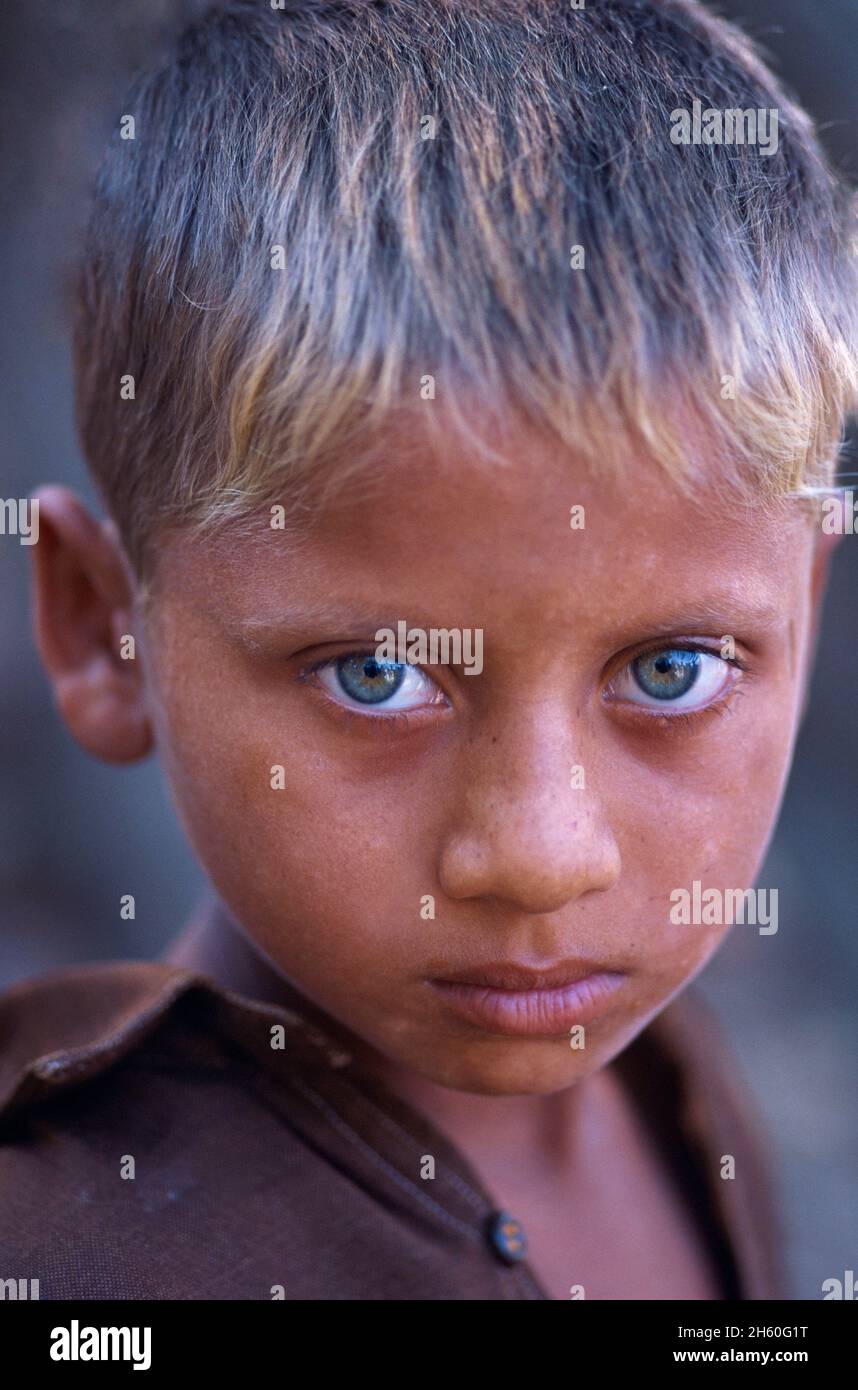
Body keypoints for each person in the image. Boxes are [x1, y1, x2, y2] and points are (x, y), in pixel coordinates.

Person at [2, 0, 856, 1300]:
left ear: (805, 599)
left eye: (671, 670)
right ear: (102, 627)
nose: (538, 855)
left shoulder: (668, 1083)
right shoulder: (74, 1256)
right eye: (376, 676)